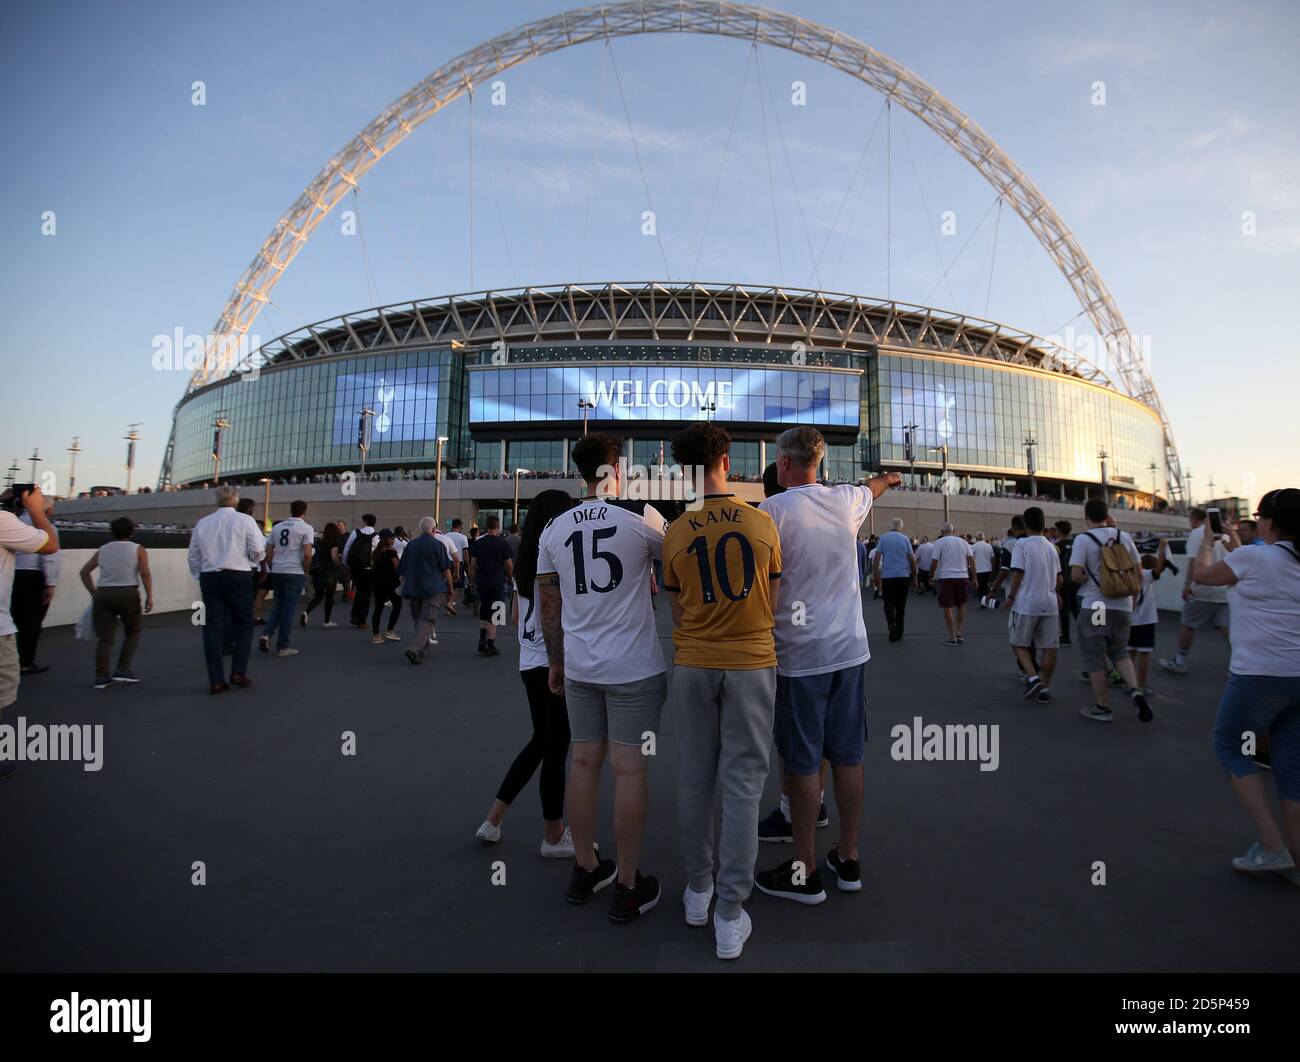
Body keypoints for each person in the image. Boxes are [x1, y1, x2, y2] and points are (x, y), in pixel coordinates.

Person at [754, 426, 902, 905]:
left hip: (799, 655)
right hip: (849, 650)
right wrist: (889, 478)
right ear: (818, 462)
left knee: (801, 761)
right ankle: (850, 857)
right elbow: (872, 488)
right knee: (848, 755)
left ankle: (805, 871)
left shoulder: (770, 512)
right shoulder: (846, 501)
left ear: (782, 464)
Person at [537, 433, 668, 921]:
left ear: (580, 473)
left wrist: (556, 660)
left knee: (584, 762)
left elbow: (548, 603)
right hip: (633, 664)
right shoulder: (639, 521)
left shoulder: (554, 529)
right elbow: (674, 568)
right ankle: (629, 885)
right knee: (629, 768)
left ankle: (586, 865)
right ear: (616, 471)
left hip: (581, 665)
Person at [664, 424, 782, 959]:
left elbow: (676, 608)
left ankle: (697, 889)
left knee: (694, 777)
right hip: (752, 662)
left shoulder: (676, 530)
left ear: (680, 469)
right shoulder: (762, 523)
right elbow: (772, 602)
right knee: (743, 786)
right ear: (727, 462)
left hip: (693, 662)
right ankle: (730, 914)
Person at [1198, 489, 1300, 881]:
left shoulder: (1254, 557)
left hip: (1259, 675)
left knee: (1230, 745)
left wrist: (1208, 544)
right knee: (1291, 764)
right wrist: (1238, 546)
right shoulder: (1262, 555)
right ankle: (1295, 854)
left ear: (1270, 521)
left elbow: (1204, 577)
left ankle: (1273, 847)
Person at [476, 490, 579, 856]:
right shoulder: (560, 555)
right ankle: (553, 836)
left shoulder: (525, 558)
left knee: (541, 743)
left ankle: (493, 819)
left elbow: (519, 616)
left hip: (528, 660)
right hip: (554, 661)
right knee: (555, 750)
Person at [1069, 498, 1152, 723]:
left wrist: (1087, 577)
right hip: (1123, 604)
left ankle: (1103, 707)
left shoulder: (1083, 540)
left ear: (1086, 517)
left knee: (1095, 655)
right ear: (1107, 515)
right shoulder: (1123, 537)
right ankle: (1135, 690)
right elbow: (1139, 573)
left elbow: (1076, 575)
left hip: (1096, 605)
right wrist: (1132, 600)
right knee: (1120, 651)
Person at [0, 485, 60, 774]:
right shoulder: (8, 522)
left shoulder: (10, 520)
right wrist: (35, 509)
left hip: (18, 582)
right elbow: (49, 548)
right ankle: (28, 660)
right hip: (25, 588)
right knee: (32, 622)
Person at [188, 485, 266, 694]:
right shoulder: (245, 520)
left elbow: (194, 555)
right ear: (236, 501)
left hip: (210, 577)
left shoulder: (203, 523)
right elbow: (258, 550)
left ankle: (216, 680)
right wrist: (252, 561)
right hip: (238, 575)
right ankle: (238, 672)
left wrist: (199, 574)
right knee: (244, 622)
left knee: (212, 626)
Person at [79, 517, 153, 688]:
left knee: (105, 638)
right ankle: (123, 669)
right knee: (132, 631)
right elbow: (145, 573)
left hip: (104, 593)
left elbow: (84, 572)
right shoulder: (138, 549)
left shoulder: (103, 550)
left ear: (112, 532)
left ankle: (101, 676)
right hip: (128, 592)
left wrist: (94, 593)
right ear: (132, 531)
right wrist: (149, 595)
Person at [1161, 507, 1232, 676]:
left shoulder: (1197, 534)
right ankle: (1239, 664)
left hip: (1203, 590)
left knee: (1188, 624)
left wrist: (1187, 585)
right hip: (1224, 589)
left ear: (1195, 519)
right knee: (1227, 627)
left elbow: (1193, 561)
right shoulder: (1226, 535)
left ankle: (1179, 661)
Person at [1004, 507, 1061, 703]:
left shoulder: (1022, 545)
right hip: (1050, 602)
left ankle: (1033, 677)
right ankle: (1046, 687)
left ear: (1026, 525)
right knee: (1049, 647)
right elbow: (1059, 579)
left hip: (1026, 602)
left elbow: (1017, 573)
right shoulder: (1052, 547)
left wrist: (1011, 596)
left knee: (1018, 643)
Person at [259, 500, 314, 658]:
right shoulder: (306, 528)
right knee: (289, 609)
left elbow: (268, 551)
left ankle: (266, 634)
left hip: (277, 570)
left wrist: (272, 566)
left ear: (291, 510)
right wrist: (305, 571)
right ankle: (283, 646)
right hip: (294, 571)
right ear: (304, 511)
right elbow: (308, 554)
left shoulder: (277, 527)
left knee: (279, 606)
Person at [397, 517, 453, 665]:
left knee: (418, 618)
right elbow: (446, 569)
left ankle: (423, 647)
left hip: (413, 587)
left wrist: (401, 586)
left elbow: (402, 570)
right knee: (428, 619)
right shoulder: (438, 545)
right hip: (432, 587)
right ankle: (414, 648)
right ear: (434, 529)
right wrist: (450, 587)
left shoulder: (411, 545)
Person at [12, 498, 59, 674]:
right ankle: (25, 661)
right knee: (31, 622)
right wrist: (51, 584)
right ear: (45, 509)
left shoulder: (13, 522)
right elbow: (50, 557)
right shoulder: (46, 527)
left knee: (10, 619)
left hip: (10, 573)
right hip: (32, 577)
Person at [468, 515, 514, 657]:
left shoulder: (478, 543)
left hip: (482, 581)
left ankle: (482, 637)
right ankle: (490, 643)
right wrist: (510, 577)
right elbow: (509, 564)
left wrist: (472, 580)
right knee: (495, 613)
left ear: (486, 526)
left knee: (484, 608)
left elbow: (472, 564)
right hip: (497, 581)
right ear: (498, 526)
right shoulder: (503, 543)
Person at [1128, 539, 1168, 694]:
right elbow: (1160, 569)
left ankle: (1129, 684)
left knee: (1129, 653)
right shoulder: (1145, 575)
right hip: (1145, 620)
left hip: (1129, 620)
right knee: (1144, 653)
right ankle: (1141, 685)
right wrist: (1163, 549)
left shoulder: (1131, 574)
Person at [930, 523, 976, 645]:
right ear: (954, 531)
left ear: (942, 531)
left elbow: (934, 561)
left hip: (947, 577)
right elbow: (971, 561)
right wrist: (975, 578)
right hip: (963, 576)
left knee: (947, 606)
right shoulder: (964, 542)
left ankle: (952, 635)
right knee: (961, 605)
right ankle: (959, 632)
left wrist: (930, 575)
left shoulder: (939, 542)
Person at [874, 517, 917, 642]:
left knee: (888, 603)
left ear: (890, 526)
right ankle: (899, 632)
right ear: (901, 527)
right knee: (901, 605)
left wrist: (876, 575)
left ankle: (892, 624)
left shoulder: (883, 538)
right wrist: (915, 577)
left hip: (888, 576)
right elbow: (912, 559)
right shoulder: (905, 539)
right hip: (903, 575)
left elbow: (877, 558)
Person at [303, 522, 343, 628]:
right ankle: (326, 621)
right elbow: (333, 557)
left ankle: (306, 612)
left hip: (318, 572)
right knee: (329, 597)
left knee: (318, 596)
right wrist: (341, 566)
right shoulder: (334, 542)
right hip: (329, 573)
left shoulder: (319, 542)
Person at [343, 514, 378, 628]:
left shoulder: (355, 532)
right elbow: (377, 554)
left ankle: (354, 615)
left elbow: (347, 549)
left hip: (355, 567)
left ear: (365, 521)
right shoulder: (376, 536)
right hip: (369, 569)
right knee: (366, 594)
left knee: (359, 591)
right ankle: (362, 620)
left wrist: (346, 563)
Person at [369, 530, 403, 644]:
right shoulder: (391, 551)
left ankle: (376, 635)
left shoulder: (376, 552)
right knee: (397, 605)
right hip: (391, 583)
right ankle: (390, 630)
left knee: (378, 608)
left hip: (378, 583)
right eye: (391, 538)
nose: (393, 540)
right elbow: (397, 566)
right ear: (386, 539)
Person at [1054, 520, 1077, 646]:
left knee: (1064, 609)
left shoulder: (1058, 547)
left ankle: (1066, 637)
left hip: (1063, 580)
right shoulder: (1075, 544)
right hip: (1075, 580)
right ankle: (1084, 633)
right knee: (1075, 608)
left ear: (1059, 531)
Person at [446, 518, 470, 615]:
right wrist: (468, 565)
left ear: (452, 526)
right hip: (458, 562)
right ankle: (450, 603)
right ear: (460, 527)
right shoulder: (463, 537)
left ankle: (449, 606)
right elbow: (465, 553)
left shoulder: (446, 536)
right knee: (459, 587)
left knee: (449, 584)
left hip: (447, 562)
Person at [971, 531, 995, 604]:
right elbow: (993, 558)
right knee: (985, 585)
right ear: (983, 538)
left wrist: (970, 569)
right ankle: (987, 599)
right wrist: (993, 569)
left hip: (978, 570)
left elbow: (971, 559)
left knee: (980, 587)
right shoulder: (989, 546)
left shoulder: (973, 546)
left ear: (976, 538)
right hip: (988, 569)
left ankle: (983, 601)